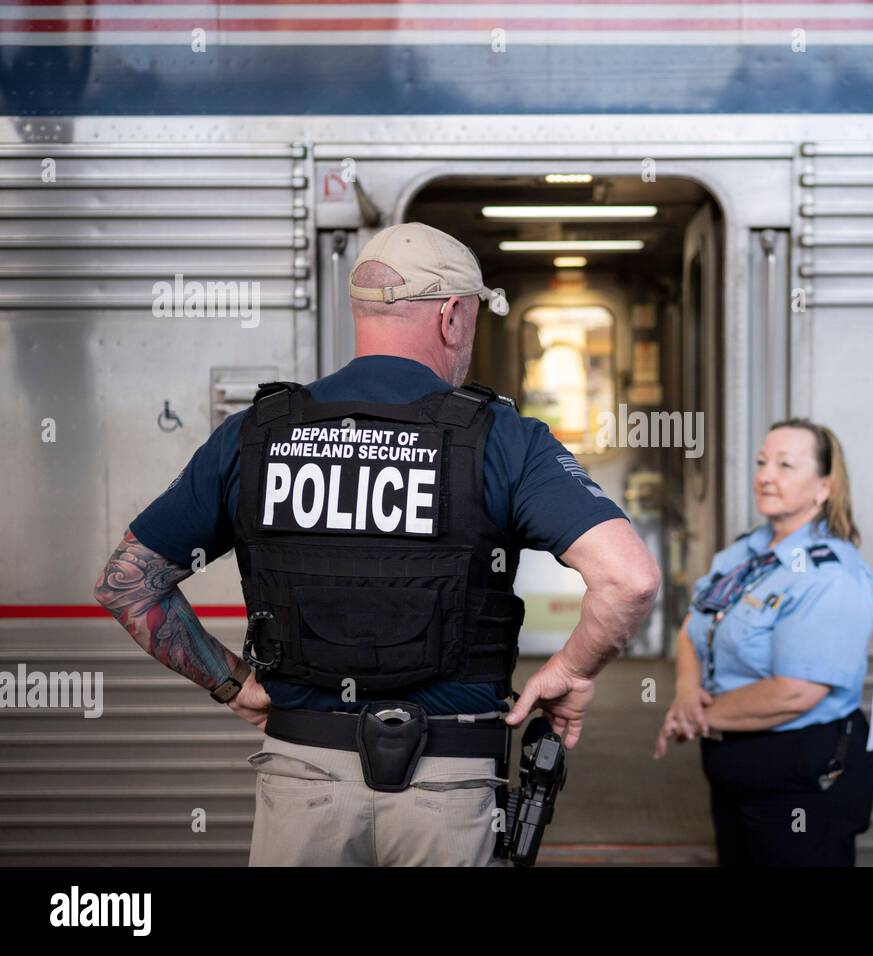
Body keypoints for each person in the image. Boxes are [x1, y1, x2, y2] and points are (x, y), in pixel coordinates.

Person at [93, 222, 660, 866]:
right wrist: (572, 669)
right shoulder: (503, 437)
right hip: (448, 785)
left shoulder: (255, 433)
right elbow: (629, 578)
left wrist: (235, 684)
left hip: (301, 780)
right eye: (473, 317)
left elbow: (128, 583)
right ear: (452, 316)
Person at [654, 419, 873, 866]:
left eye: (785, 464)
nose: (765, 475)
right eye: (761, 462)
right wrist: (685, 694)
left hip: (799, 779)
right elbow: (692, 626)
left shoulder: (831, 575)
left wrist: (697, 718)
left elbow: (796, 690)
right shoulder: (743, 553)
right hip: (734, 769)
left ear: (822, 488)